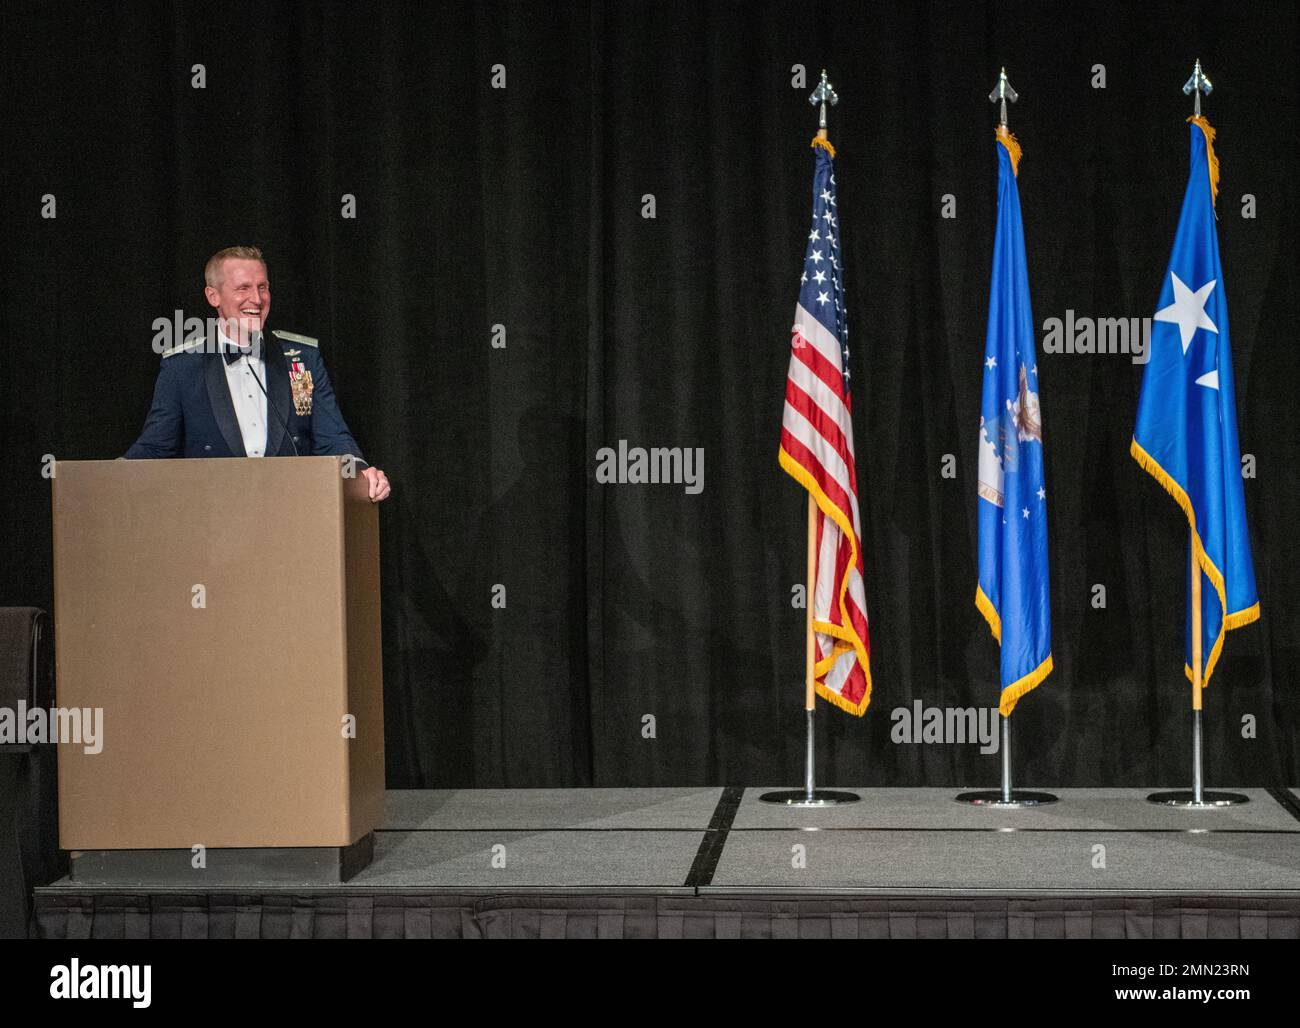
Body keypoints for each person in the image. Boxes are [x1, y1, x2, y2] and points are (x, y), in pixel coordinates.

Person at [125, 246, 391, 502]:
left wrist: (359, 473)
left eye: (262, 287)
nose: (257, 299)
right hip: (214, 515)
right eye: (243, 288)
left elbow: (334, 439)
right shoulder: (182, 367)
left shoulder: (303, 359)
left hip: (295, 510)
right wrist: (111, 476)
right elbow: (155, 447)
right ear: (213, 296)